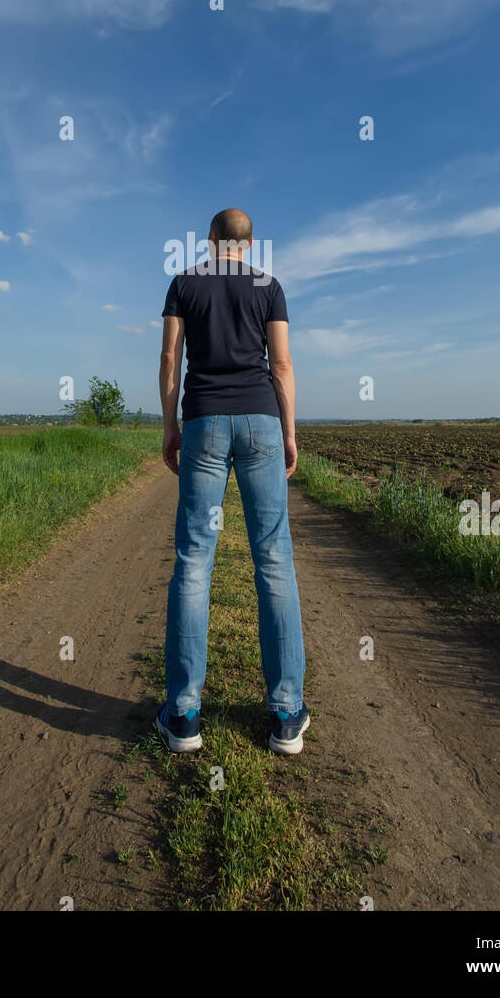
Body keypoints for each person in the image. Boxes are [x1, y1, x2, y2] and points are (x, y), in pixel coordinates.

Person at [154, 208, 309, 755]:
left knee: (194, 560)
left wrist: (171, 427)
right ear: (250, 244)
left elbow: (172, 357)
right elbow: (283, 365)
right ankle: (287, 713)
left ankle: (184, 716)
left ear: (212, 240)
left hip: (203, 420)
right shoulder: (270, 286)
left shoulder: (184, 283)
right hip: (262, 417)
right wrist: (288, 433)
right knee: (274, 558)